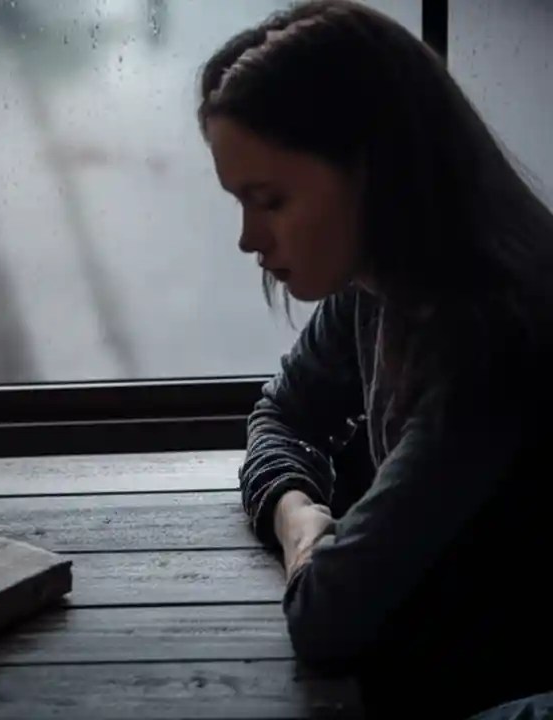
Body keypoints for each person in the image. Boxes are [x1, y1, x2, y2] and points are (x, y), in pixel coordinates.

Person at [199, 1, 553, 716]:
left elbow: (328, 616)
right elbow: (282, 411)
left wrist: (312, 552)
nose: (247, 239)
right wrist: (299, 517)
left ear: (371, 169)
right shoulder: (378, 284)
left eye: (268, 199)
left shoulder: (495, 347)